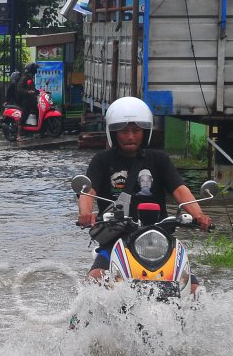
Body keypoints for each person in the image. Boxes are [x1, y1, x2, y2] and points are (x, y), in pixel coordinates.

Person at [76, 96, 212, 281]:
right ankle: (82, 310)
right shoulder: (102, 160)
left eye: (136, 130)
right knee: (95, 277)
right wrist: (85, 213)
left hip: (159, 236)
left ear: (145, 132)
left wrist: (198, 215)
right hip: (117, 237)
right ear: (113, 133)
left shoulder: (159, 159)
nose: (130, 136)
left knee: (192, 286)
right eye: (123, 131)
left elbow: (180, 189)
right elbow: (88, 190)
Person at [18, 62, 39, 136]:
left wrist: (40, 91)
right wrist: (27, 92)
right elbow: (20, 89)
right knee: (24, 116)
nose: (35, 71)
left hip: (32, 100)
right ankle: (18, 135)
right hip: (26, 101)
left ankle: (39, 131)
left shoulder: (30, 78)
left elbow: (33, 89)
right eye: (34, 69)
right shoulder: (24, 78)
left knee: (38, 112)